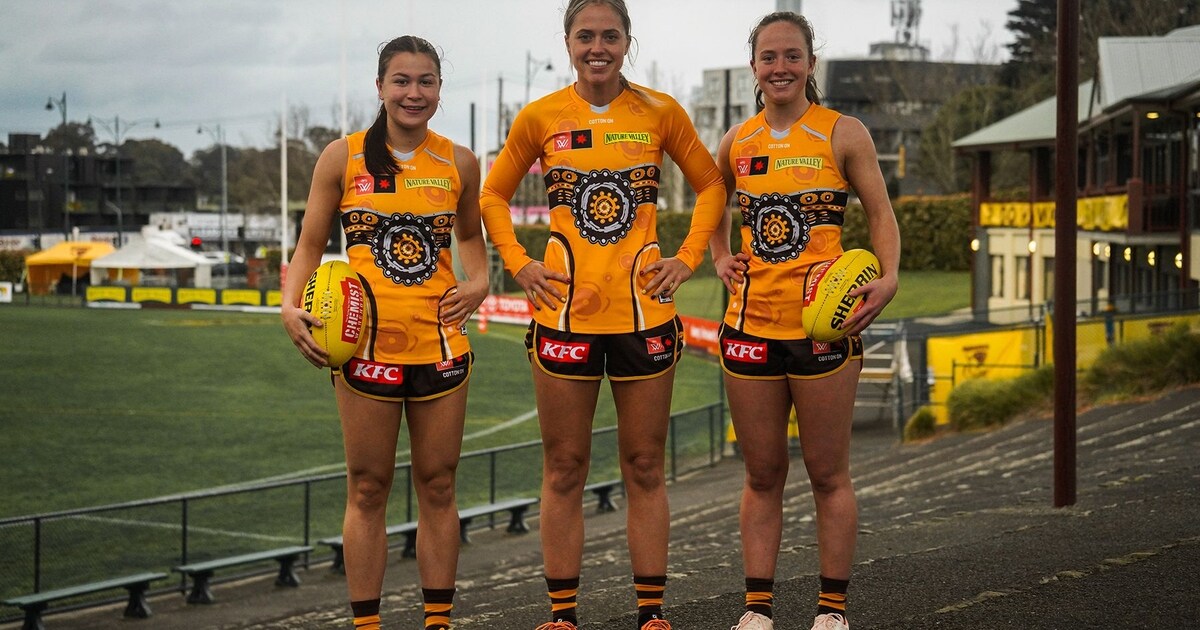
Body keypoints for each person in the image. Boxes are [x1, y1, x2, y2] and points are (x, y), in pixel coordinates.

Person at [479, 1, 726, 628]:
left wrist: (689, 257)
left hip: (645, 317)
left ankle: (651, 614)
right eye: (585, 35)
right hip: (564, 319)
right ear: (567, 42)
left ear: (626, 41)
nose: (598, 46)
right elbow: (491, 193)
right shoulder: (539, 117)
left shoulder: (660, 112)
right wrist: (517, 261)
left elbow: (713, 185)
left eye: (609, 35)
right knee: (564, 468)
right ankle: (563, 616)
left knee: (644, 466)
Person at [280, 35, 489, 630]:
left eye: (425, 81)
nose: (413, 93)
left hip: (442, 347)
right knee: (368, 488)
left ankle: (438, 622)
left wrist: (478, 282)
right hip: (363, 349)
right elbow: (310, 245)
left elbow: (471, 239)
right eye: (401, 80)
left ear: (440, 90)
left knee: (439, 485)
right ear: (379, 87)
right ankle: (367, 624)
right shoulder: (340, 158)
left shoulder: (460, 161)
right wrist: (288, 306)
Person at [709, 12, 901, 630]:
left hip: (824, 333)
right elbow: (711, 203)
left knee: (828, 474)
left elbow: (880, 212)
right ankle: (758, 612)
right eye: (769, 57)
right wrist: (717, 255)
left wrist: (888, 277)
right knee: (762, 474)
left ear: (811, 63)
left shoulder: (843, 133)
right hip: (748, 330)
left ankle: (831, 613)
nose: (781, 67)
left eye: (792, 56)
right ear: (754, 67)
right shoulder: (737, 142)